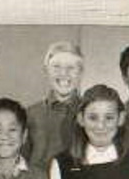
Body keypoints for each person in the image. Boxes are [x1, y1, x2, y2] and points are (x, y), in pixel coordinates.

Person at [26, 42, 85, 171]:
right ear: (46, 70)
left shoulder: (90, 114)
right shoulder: (30, 114)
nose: (63, 73)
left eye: (71, 68)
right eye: (56, 67)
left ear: (80, 72)